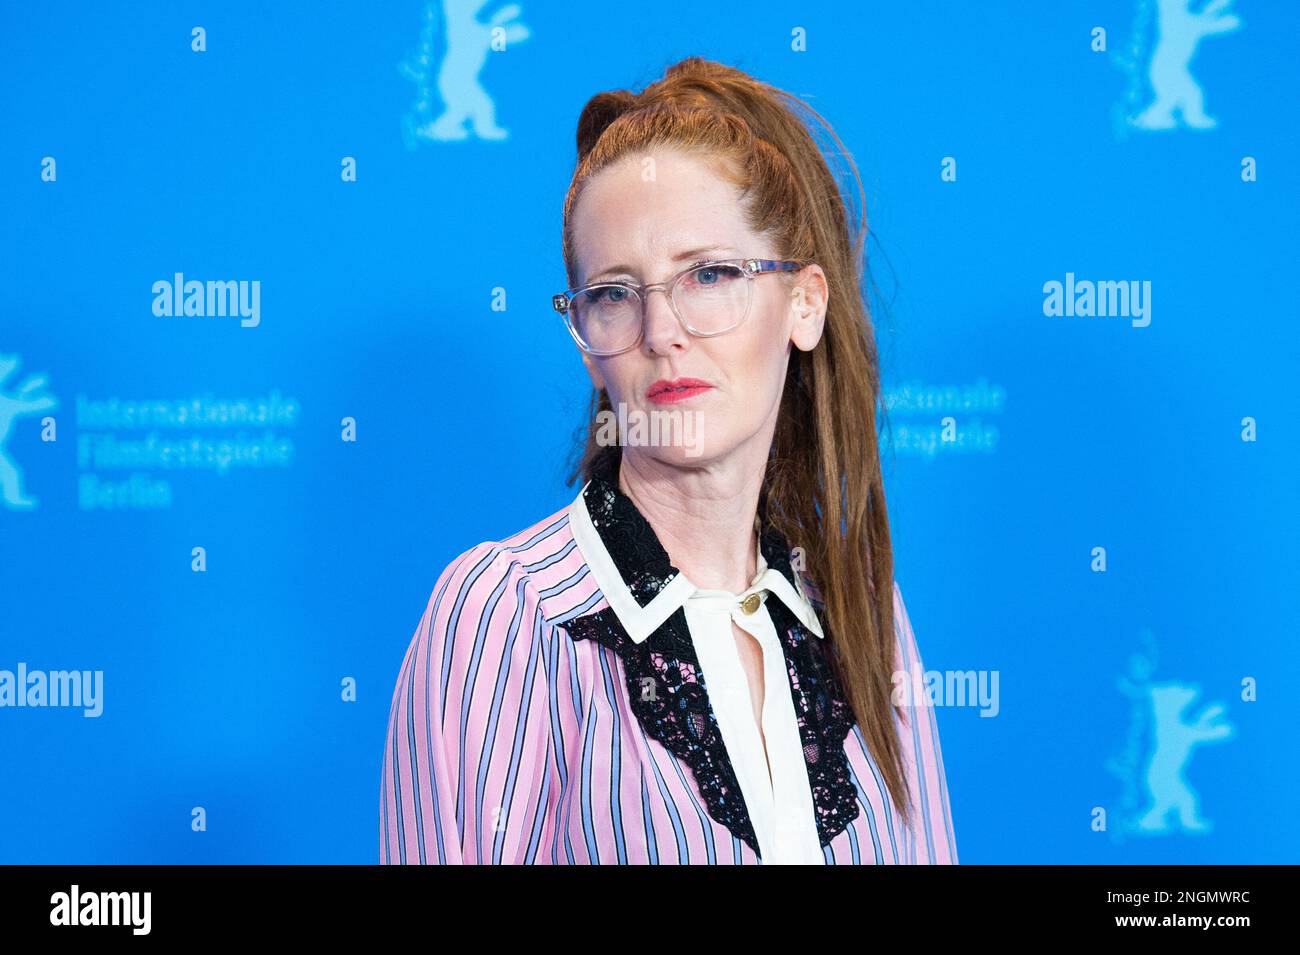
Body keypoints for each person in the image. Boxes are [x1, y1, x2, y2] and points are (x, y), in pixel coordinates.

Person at [380, 55, 957, 864]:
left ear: (804, 303)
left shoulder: (863, 608)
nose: (662, 331)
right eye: (616, 292)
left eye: (710, 274)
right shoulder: (506, 615)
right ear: (587, 342)